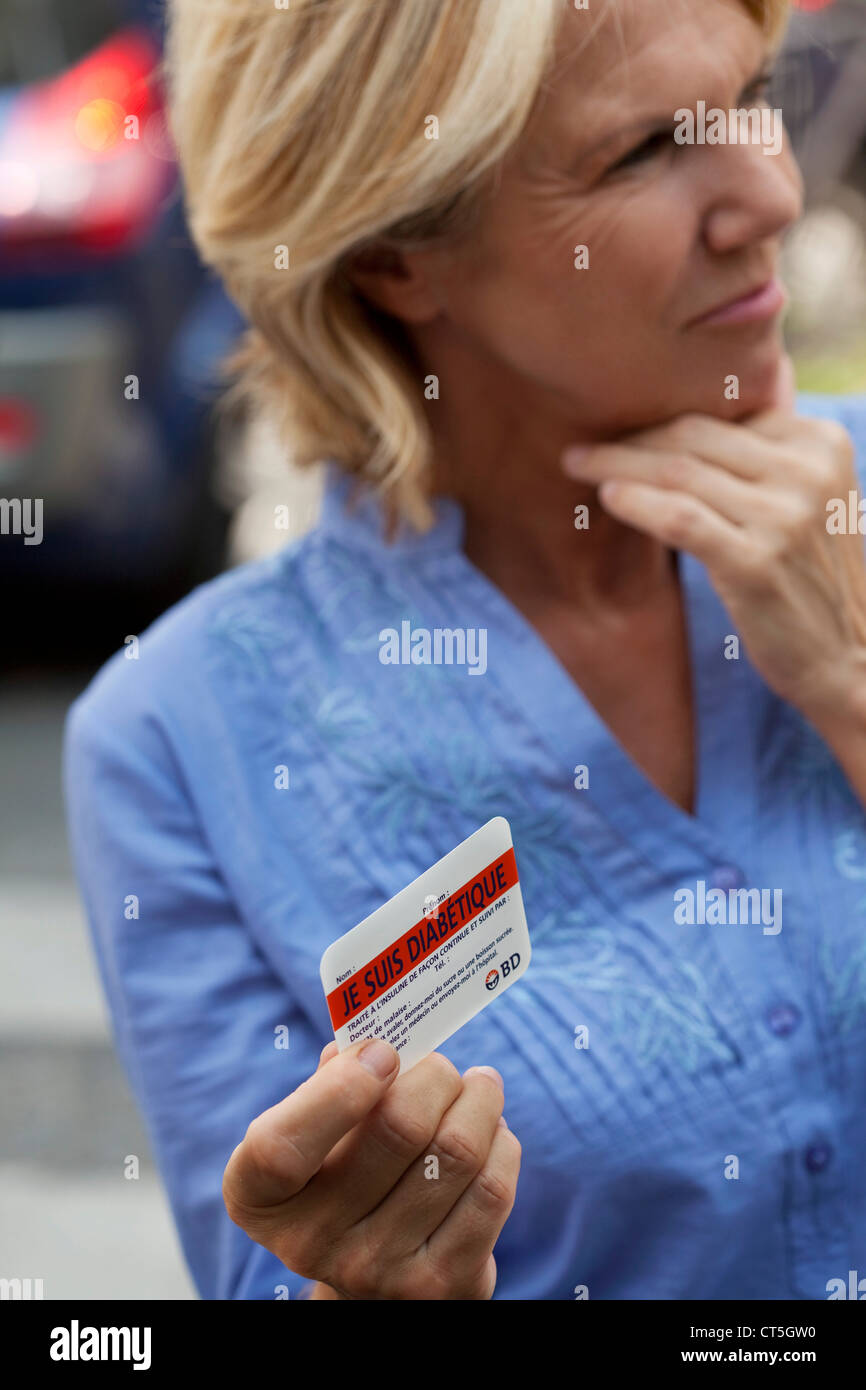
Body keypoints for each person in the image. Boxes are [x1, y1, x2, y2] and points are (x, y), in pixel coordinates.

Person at [64, 0, 866, 1300]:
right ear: (395, 253)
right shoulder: (181, 737)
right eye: (650, 147)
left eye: (754, 90)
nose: (769, 187)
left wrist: (850, 684)